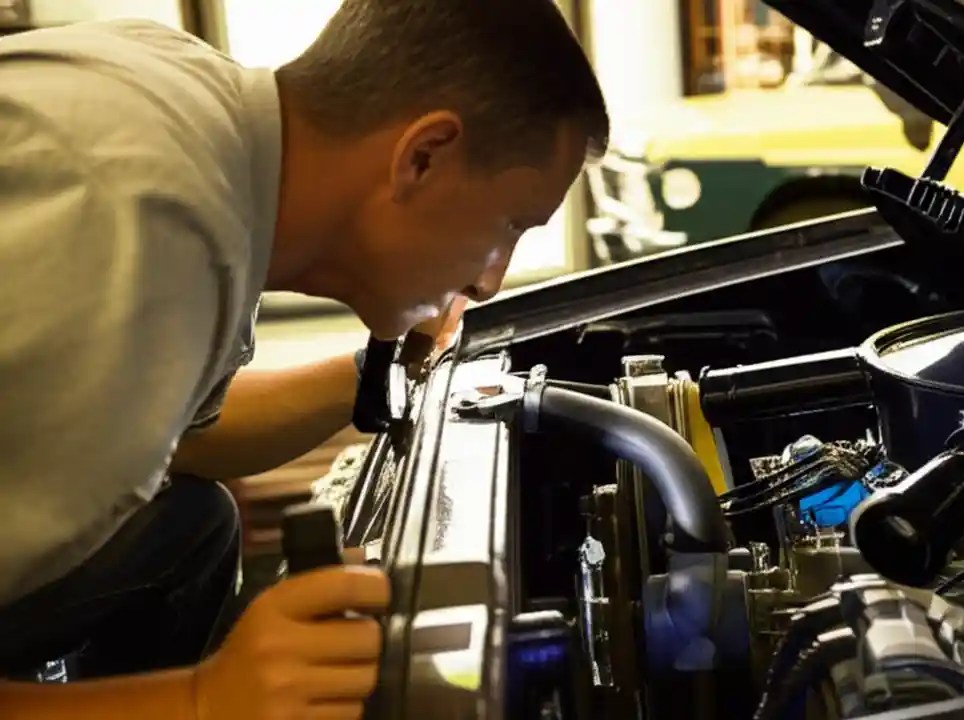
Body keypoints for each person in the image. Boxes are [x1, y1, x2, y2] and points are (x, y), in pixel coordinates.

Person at [0, 0, 608, 717]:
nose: (489, 280)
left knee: (191, 526)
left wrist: (373, 376)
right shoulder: (138, 222)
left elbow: (178, 441)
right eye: (510, 226)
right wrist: (202, 701)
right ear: (422, 156)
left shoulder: (195, 118)